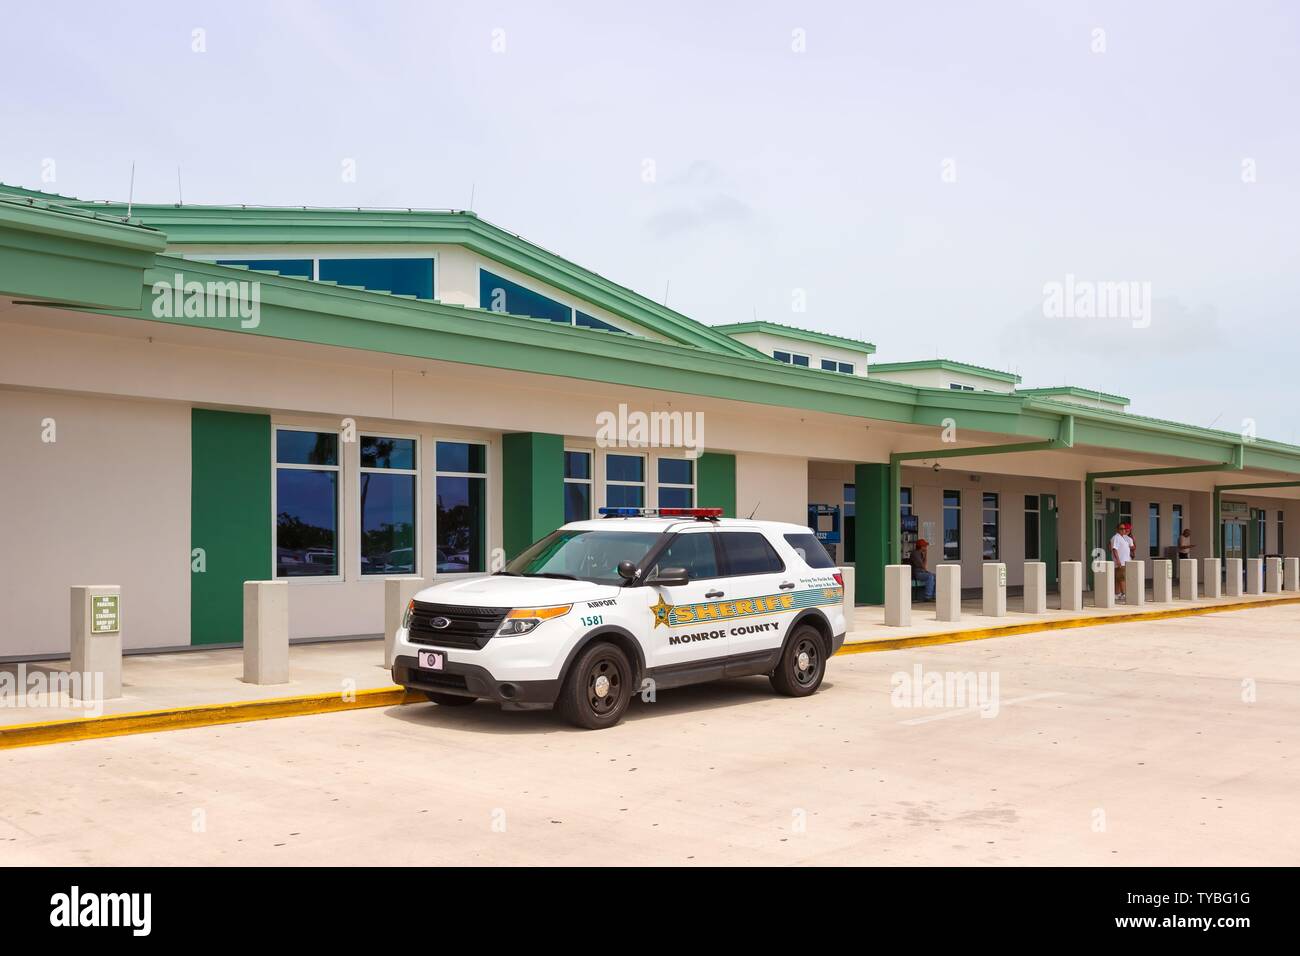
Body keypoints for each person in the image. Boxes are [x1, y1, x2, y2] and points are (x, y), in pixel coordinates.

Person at [1110, 521, 1132, 603]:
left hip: (1124, 561)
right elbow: (1114, 549)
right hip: (1121, 562)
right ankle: (1124, 593)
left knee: (1118, 578)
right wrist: (1118, 560)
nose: (1123, 530)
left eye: (1124, 529)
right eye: (1121, 529)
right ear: (1117, 529)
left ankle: (1117, 593)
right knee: (1122, 578)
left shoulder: (1123, 538)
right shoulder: (1116, 537)